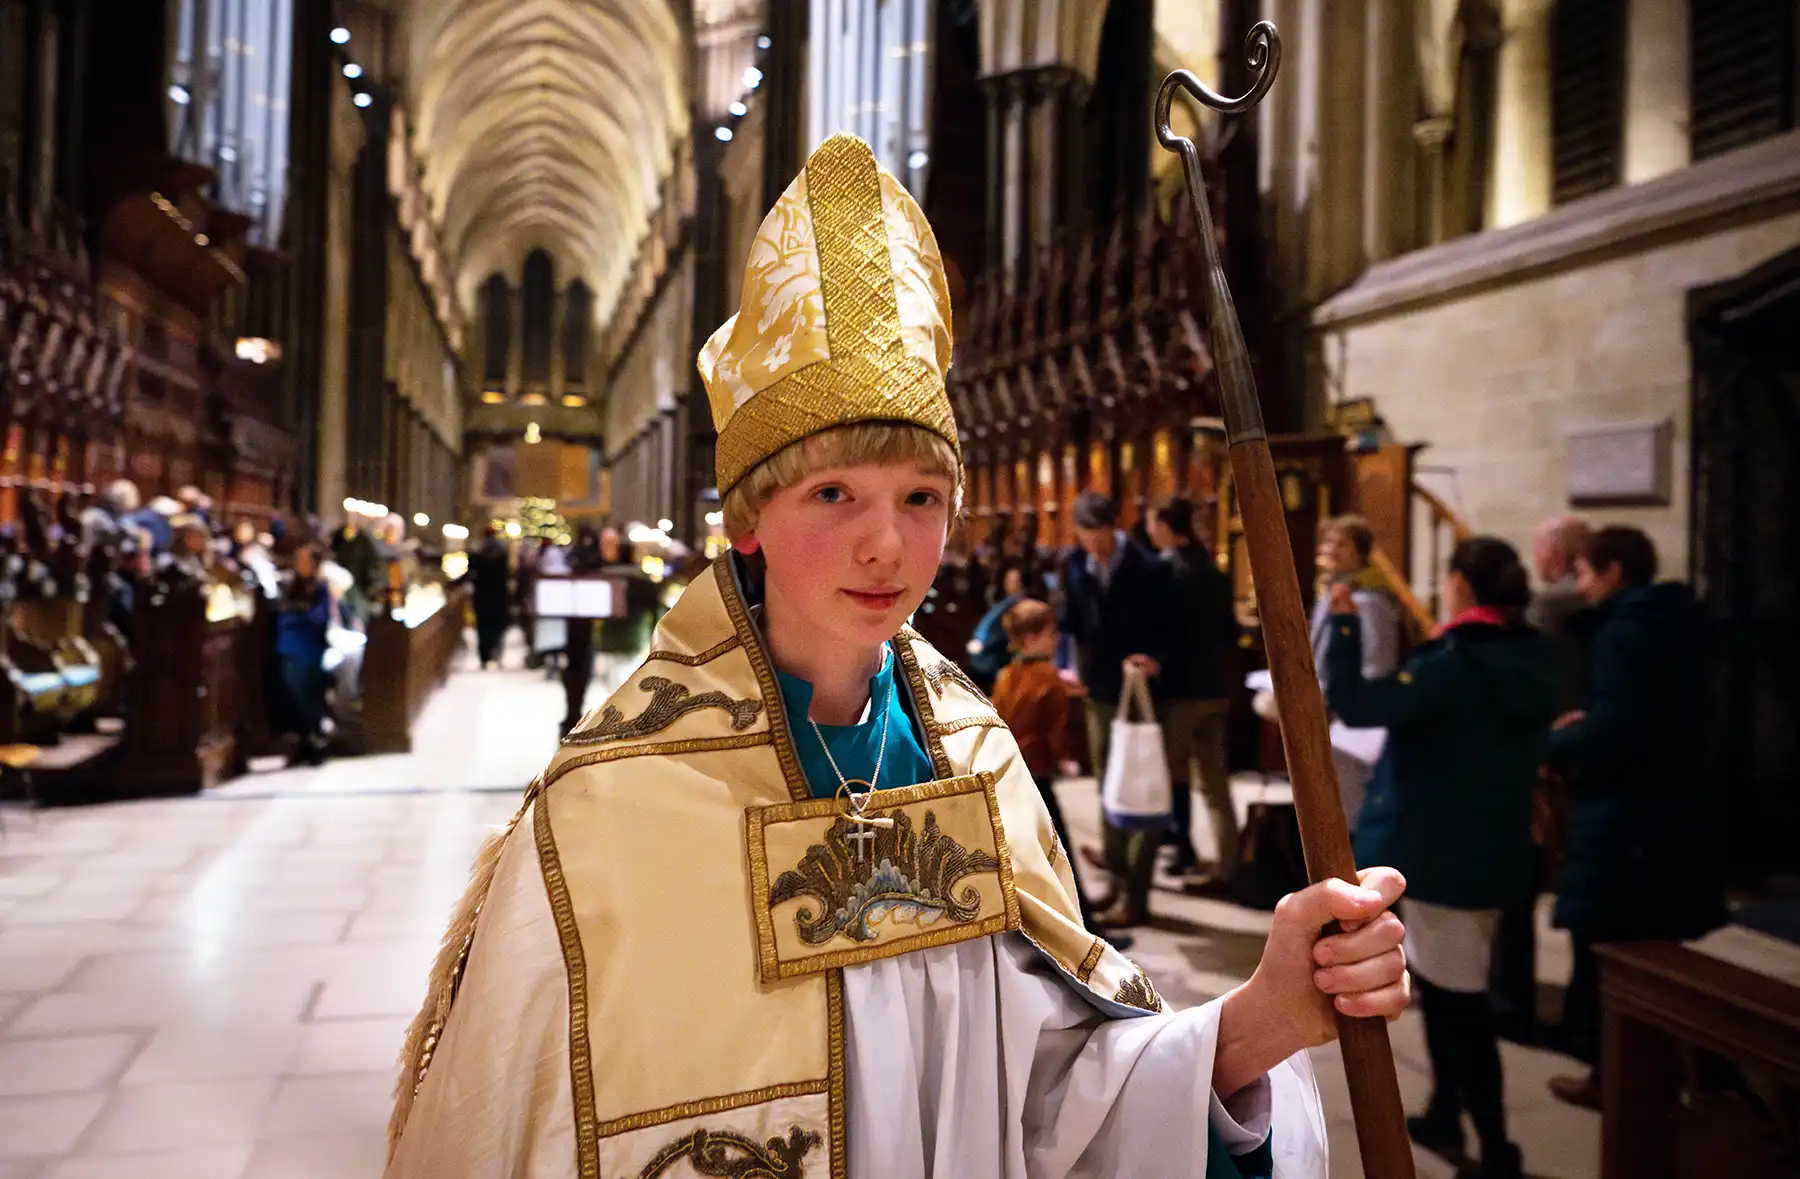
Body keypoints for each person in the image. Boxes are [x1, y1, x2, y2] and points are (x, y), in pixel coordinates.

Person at [385, 134, 1409, 1179]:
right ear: (747, 523)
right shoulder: (610, 804)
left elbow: (1058, 1093)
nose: (889, 545)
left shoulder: (970, 756)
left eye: (921, 499)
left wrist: (1264, 1017)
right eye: (834, 495)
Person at [1326, 537, 1557, 1179]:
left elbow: (1359, 703)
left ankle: (1497, 1148)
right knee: (1448, 986)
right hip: (1494, 851)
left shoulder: (1455, 664)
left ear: (1459, 585)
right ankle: (1446, 1111)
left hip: (1441, 854)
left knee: (1461, 1005)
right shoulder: (1533, 658)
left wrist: (1343, 623)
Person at [1542, 525, 1725, 1109]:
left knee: (1616, 955)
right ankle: (1683, 1078)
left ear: (1614, 571)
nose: (1583, 586)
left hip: (1628, 820)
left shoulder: (1625, 632)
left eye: (1588, 573)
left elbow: (1621, 729)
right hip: (1679, 809)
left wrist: (1560, 742)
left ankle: (1621, 1083)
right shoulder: (1677, 621)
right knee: (1663, 947)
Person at [1490, 513, 1592, 1044]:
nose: (1538, 562)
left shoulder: (1551, 606)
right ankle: (1580, 1012)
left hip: (1545, 758)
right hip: (1578, 755)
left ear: (1559, 555)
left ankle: (1511, 1003)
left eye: (1542, 551)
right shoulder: (1596, 608)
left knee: (1519, 884)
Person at [1058, 490, 1174, 928]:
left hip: (1143, 693)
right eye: (1088, 537)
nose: (1096, 547)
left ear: (1114, 528)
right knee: (1108, 784)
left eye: (1102, 536)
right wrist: (1068, 668)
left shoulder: (1148, 567)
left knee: (1139, 785)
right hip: (1100, 689)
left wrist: (1155, 659)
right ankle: (1116, 881)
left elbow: (1173, 627)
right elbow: (1070, 620)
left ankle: (1138, 894)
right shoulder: (1074, 563)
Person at [1146, 496, 1241, 890]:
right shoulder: (1214, 571)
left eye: (1153, 523)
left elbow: (1160, 632)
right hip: (1214, 688)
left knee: (1159, 782)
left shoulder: (1165, 571)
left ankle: (1144, 869)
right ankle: (1228, 868)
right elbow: (1231, 632)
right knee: (1216, 786)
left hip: (1178, 692)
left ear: (1167, 527)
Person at [991, 597, 1093, 926]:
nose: (1057, 639)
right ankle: (1085, 924)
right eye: (1052, 633)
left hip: (1012, 771)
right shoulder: (1049, 677)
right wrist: (1065, 758)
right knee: (1059, 851)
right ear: (1034, 637)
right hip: (1039, 771)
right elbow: (1056, 730)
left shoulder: (1006, 674)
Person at [1307, 515, 1402, 833]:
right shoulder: (1331, 591)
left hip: (1351, 715)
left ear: (1360, 552)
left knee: (1348, 798)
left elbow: (1377, 659)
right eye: (1327, 541)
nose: (1330, 549)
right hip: (1326, 700)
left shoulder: (1370, 599)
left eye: (1341, 543)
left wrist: (1344, 700)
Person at [967, 565, 1025, 692]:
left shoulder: (1018, 606)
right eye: (1008, 580)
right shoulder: (1002, 604)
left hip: (999, 656)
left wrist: (983, 643)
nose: (1010, 584)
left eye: (1014, 581)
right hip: (987, 651)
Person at [466, 525, 512, 668]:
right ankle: (497, 654)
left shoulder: (476, 554)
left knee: (483, 628)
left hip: (482, 598)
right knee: (498, 627)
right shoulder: (503, 553)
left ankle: (484, 657)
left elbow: (470, 575)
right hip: (499, 597)